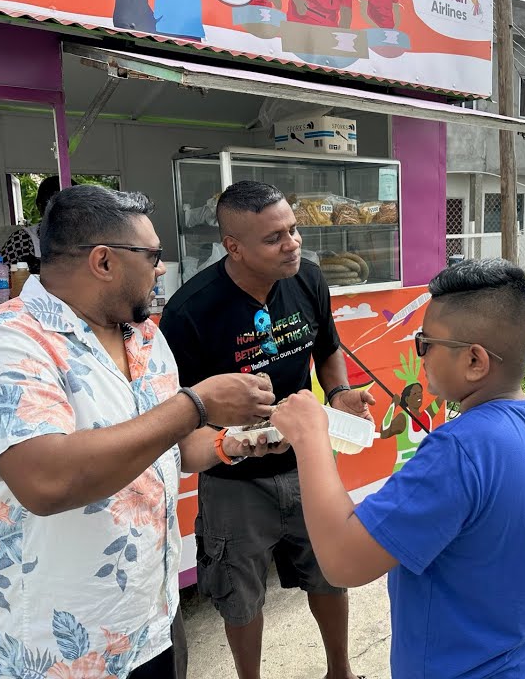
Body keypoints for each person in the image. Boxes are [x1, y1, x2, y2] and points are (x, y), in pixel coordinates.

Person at [0, 184, 282, 679]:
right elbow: (47, 480)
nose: (162, 269)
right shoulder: (2, 343)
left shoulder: (144, 334)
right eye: (153, 256)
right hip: (54, 651)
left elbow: (171, 448)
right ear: (103, 261)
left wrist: (239, 441)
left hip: (151, 624)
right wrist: (196, 403)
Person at [270, 258, 525, 679]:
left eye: (425, 342)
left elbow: (343, 560)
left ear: (475, 361)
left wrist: (309, 437)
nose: (419, 353)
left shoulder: (458, 451)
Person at [159, 180, 373, 679]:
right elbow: (179, 412)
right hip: (233, 481)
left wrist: (339, 393)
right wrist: (230, 436)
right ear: (233, 246)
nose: (293, 243)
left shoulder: (308, 280)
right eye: (275, 237)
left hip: (308, 463)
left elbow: (327, 351)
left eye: (294, 230)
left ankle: (339, 672)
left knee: (329, 572)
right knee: (240, 593)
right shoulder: (190, 312)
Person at [0, 175, 64, 274]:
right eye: (52, 205)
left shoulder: (89, 238)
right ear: (39, 206)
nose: (62, 212)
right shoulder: (22, 240)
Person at [378, 381, 439, 472]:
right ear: (407, 399)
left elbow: (441, 397)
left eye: (420, 393)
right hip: (404, 470)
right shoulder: (403, 418)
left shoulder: (427, 415)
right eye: (414, 393)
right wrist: (393, 406)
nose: (419, 395)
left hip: (422, 469)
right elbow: (384, 432)